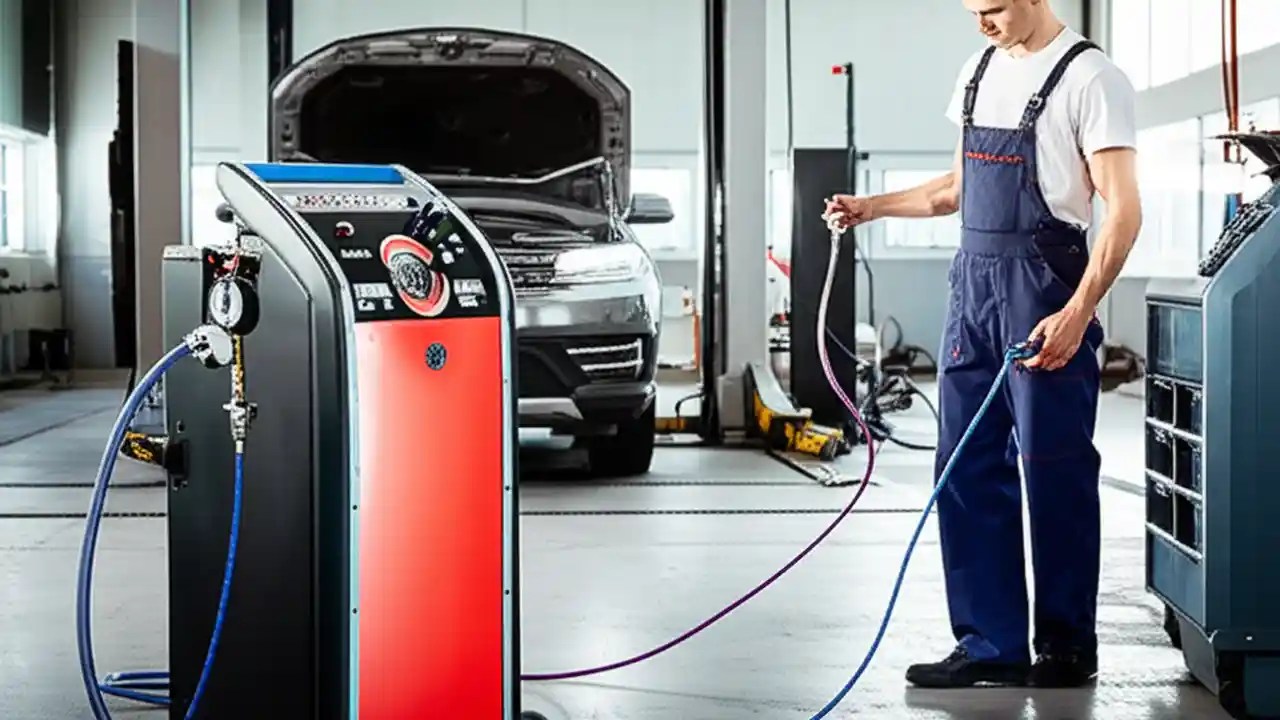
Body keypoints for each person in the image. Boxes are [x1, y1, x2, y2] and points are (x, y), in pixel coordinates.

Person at [824, 0, 1142, 689]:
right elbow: (956, 191)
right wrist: (869, 207)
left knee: (1052, 463)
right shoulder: (978, 68)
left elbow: (1123, 208)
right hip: (973, 286)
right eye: (971, 9)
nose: (981, 22)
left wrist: (1078, 310)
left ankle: (1066, 644)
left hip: (1044, 286)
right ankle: (989, 641)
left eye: (992, 8)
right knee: (963, 463)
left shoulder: (1091, 78)